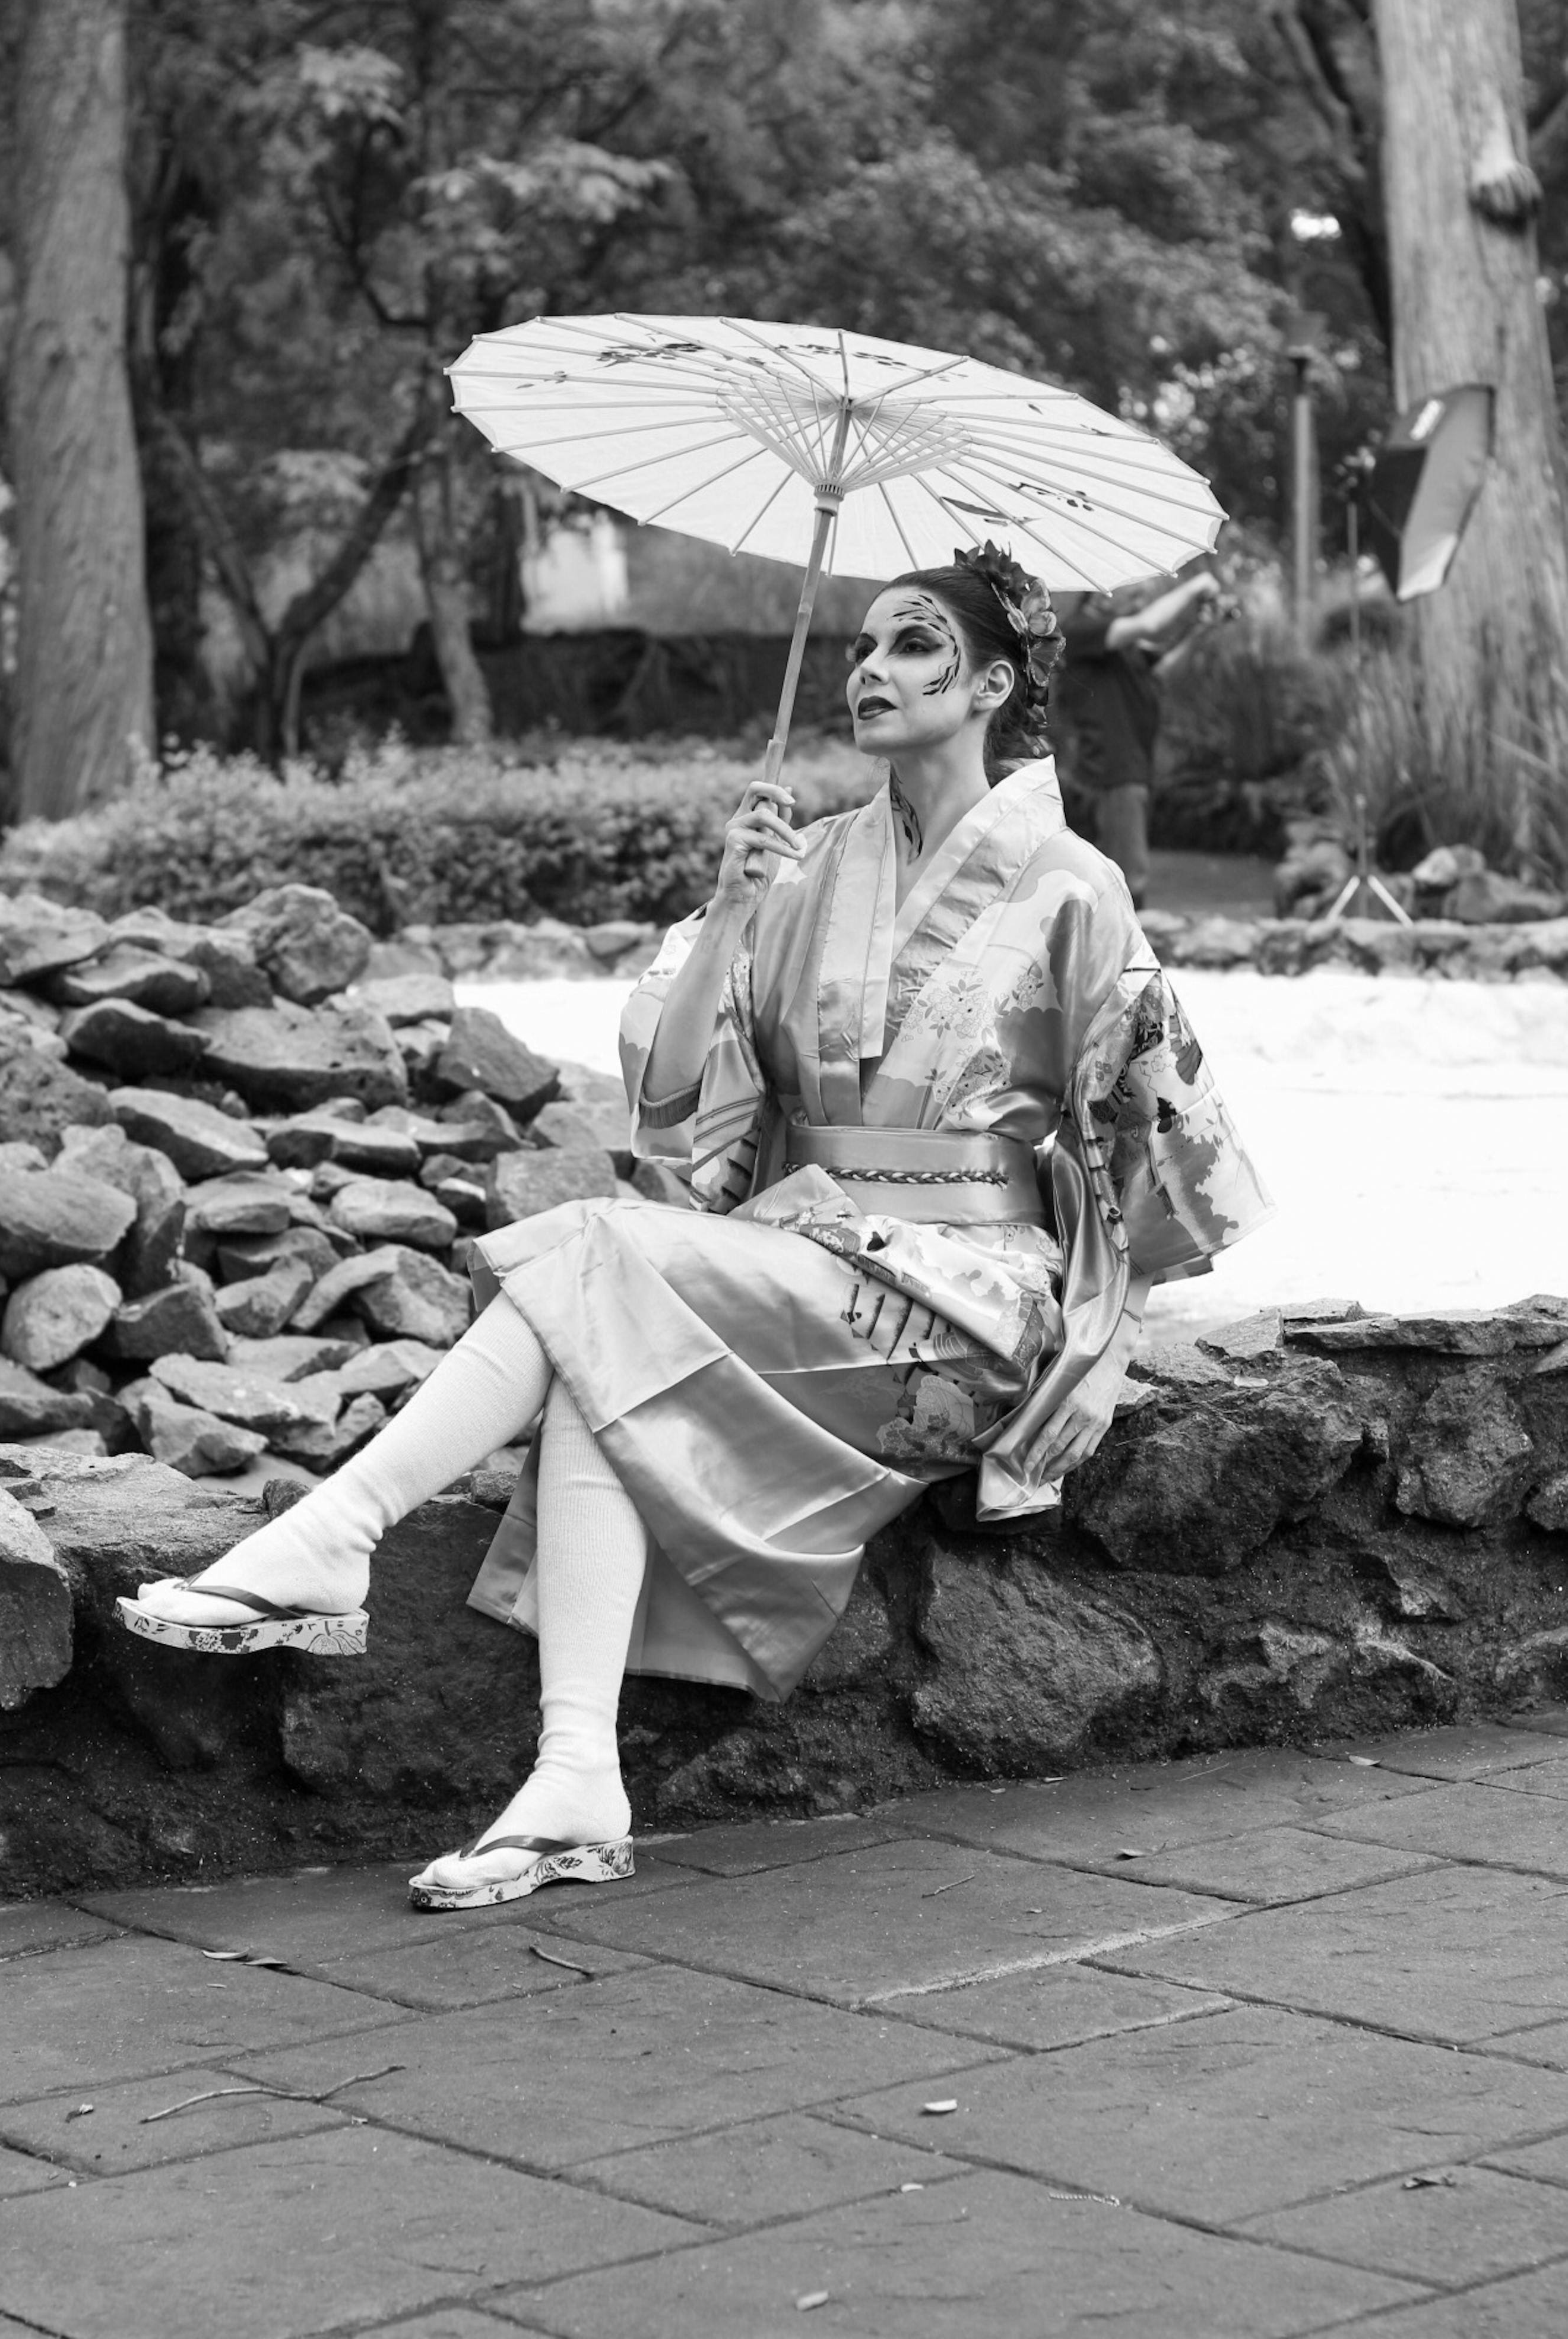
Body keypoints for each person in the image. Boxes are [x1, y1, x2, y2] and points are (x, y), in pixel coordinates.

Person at [118, 542, 1271, 1914]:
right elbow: (678, 1110)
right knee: (602, 1362)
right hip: (809, 1259)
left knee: (602, 1260)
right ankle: (573, 1776)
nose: (870, 670)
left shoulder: (1076, 884)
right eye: (861, 645)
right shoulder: (809, 864)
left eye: (914, 647)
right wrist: (731, 912)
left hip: (966, 1306)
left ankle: (346, 1524)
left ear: (996, 684)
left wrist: (1098, 1327)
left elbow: (1158, 1136)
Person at [1052, 567, 1224, 905]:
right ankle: (1130, 954)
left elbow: (1161, 668)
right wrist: (1196, 587)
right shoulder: (1080, 631)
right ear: (1104, 594)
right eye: (1136, 595)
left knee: (1120, 880)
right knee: (1126, 885)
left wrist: (1202, 630)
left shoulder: (1120, 647)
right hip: (1112, 772)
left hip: (1130, 771)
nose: (1142, 603)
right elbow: (1150, 625)